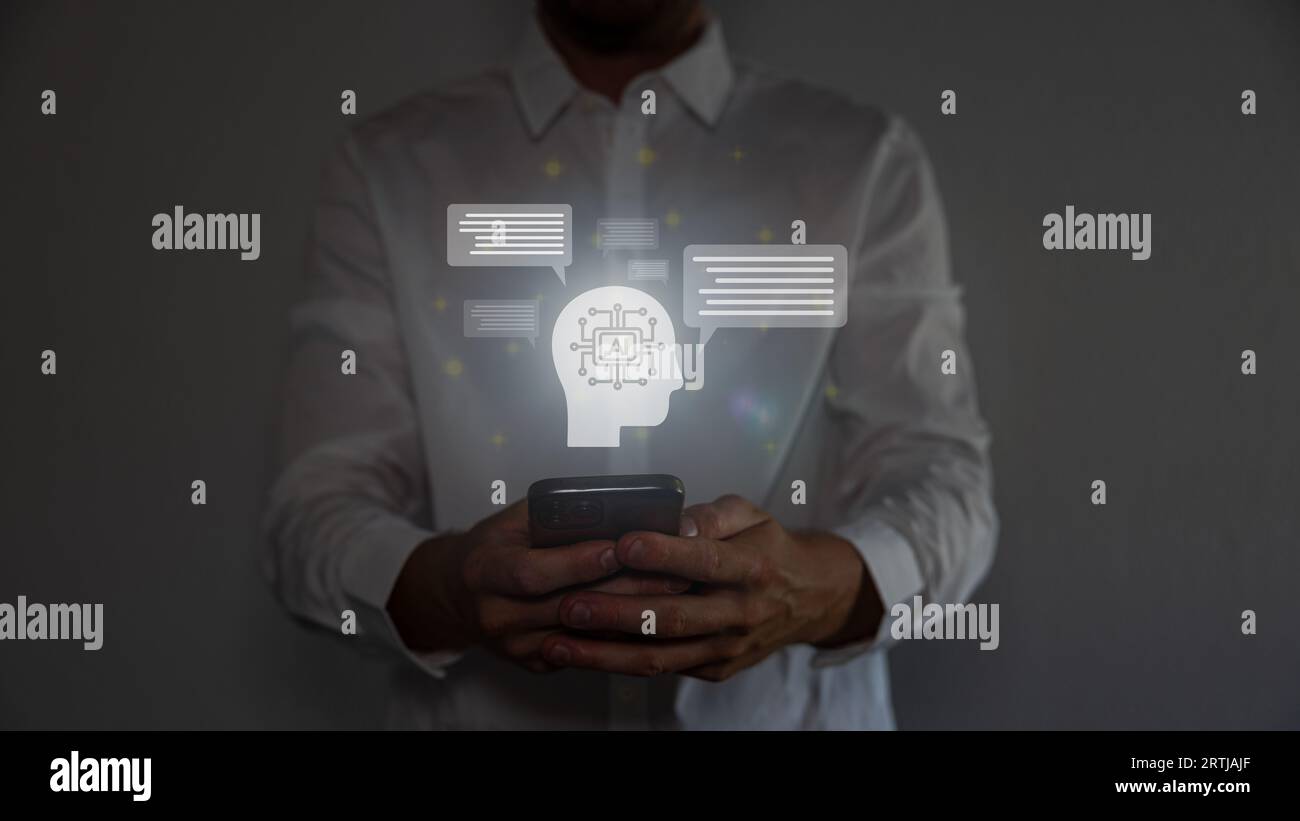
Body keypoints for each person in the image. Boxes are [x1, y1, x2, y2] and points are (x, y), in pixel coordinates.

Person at [264, 0, 997, 729]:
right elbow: (315, 510)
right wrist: (451, 591)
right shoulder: (389, 168)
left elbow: (943, 476)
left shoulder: (863, 158)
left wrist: (814, 590)